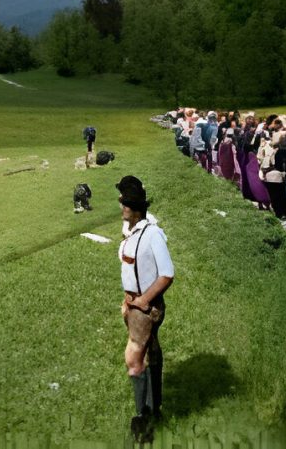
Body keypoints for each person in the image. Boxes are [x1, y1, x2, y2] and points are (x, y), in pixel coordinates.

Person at [117, 177, 173, 442]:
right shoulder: (133, 231)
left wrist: (142, 300)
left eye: (125, 203)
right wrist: (127, 299)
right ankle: (153, 410)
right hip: (134, 303)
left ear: (136, 207)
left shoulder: (152, 235)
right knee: (149, 353)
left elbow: (166, 274)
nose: (121, 206)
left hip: (145, 306)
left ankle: (143, 418)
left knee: (133, 357)